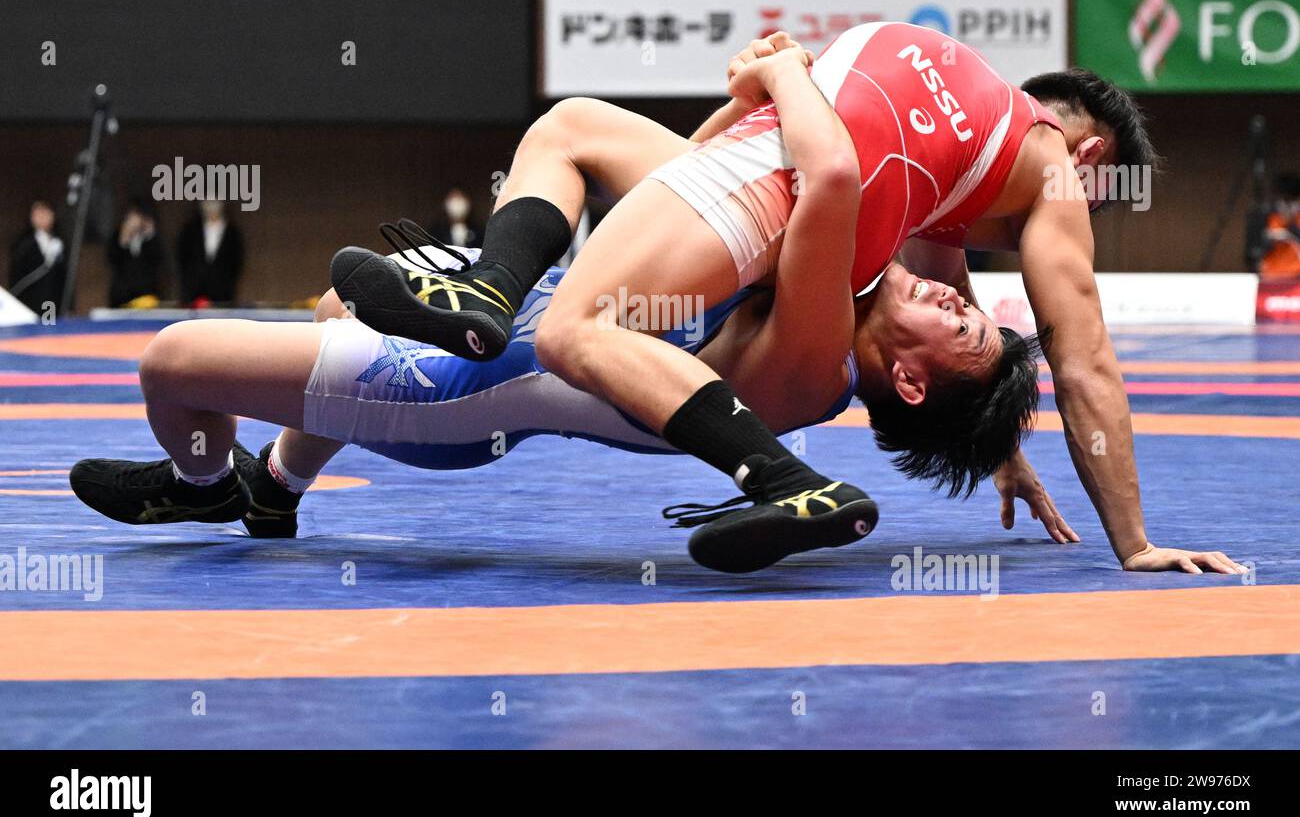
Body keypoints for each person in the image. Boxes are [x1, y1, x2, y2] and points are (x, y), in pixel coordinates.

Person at [332, 26, 1243, 575]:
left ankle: (497, 290)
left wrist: (998, 440)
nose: (1079, 220)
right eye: (1098, 197)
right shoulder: (1047, 174)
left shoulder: (966, 125)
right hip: (790, 180)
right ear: (1086, 159)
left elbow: (951, 318)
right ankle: (503, 297)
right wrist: (1134, 542)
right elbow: (1081, 357)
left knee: (575, 143)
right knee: (579, 246)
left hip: (780, 171)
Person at [69, 232, 1054, 572]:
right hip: (519, 325)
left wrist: (785, 78)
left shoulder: (810, 347)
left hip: (458, 391)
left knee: (170, 361)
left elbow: (854, 176)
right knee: (337, 304)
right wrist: (997, 432)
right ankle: (276, 485)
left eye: (962, 323)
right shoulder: (834, 338)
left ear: (914, 380)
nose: (948, 292)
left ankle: (203, 478)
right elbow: (923, 230)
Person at [176, 199, 244, 306]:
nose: (211, 207)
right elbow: (182, 257)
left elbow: (236, 262)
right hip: (193, 293)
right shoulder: (191, 229)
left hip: (222, 294)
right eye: (208, 202)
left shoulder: (232, 231)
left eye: (215, 202)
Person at [7, 199, 67, 315]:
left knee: (49, 328)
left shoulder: (60, 241)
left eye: (45, 213)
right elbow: (16, 273)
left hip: (52, 303)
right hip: (28, 303)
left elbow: (66, 276)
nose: (42, 217)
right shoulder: (23, 243)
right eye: (38, 214)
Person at [107, 198, 165, 308]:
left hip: (147, 295)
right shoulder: (117, 236)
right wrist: (124, 239)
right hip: (121, 296)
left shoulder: (152, 238)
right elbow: (112, 259)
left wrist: (150, 235)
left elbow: (159, 260)